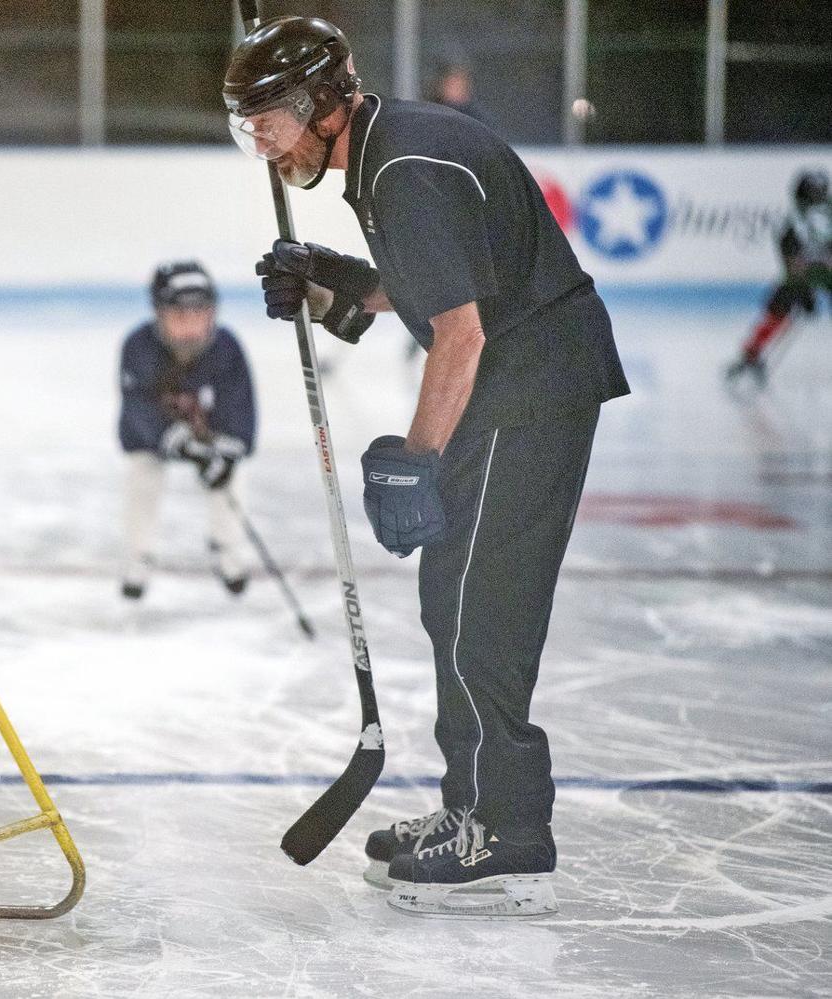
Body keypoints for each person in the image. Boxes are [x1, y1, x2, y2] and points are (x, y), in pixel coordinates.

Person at [225, 17, 629, 916]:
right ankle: (472, 805)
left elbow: (461, 332)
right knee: (455, 593)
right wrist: (338, 282)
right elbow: (433, 282)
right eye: (247, 123)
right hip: (519, 387)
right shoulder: (385, 152)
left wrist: (417, 461)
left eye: (268, 121)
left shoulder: (402, 167)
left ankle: (508, 831)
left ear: (320, 106)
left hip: (528, 393)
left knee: (483, 603)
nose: (260, 141)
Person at [117, 262, 257, 600]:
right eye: (180, 317)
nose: (192, 328)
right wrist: (174, 441)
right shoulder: (139, 346)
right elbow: (137, 409)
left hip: (209, 435)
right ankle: (139, 556)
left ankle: (228, 551)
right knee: (143, 476)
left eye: (200, 315)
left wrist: (226, 451)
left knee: (230, 481)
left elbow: (241, 409)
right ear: (159, 315)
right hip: (153, 441)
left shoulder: (226, 348)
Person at [726, 170, 832, 388]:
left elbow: (788, 250)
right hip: (810, 273)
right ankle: (752, 353)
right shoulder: (810, 216)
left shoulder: (795, 218)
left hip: (801, 274)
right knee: (779, 308)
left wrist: (803, 283)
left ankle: (751, 353)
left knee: (778, 310)